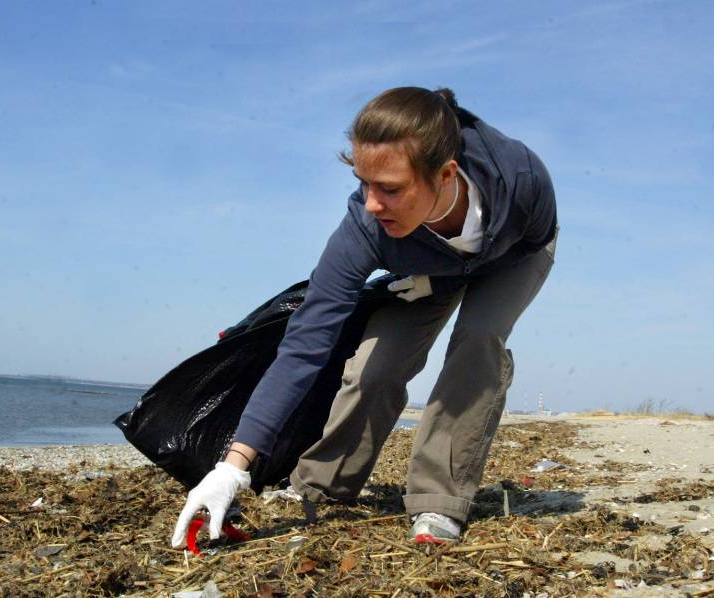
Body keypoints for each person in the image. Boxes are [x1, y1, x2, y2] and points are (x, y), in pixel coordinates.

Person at [171, 86, 558, 547]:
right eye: (363, 182)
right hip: (426, 264)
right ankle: (321, 484)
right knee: (376, 363)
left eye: (390, 188)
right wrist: (232, 468)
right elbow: (304, 344)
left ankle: (439, 499)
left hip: (512, 255)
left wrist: (450, 277)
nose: (372, 204)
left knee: (478, 337)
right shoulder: (365, 226)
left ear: (446, 174)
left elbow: (531, 243)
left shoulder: (521, 178)